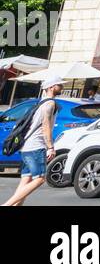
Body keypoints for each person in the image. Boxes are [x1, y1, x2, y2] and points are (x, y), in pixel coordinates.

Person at [3, 78, 63, 207]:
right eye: (59, 85)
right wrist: (50, 147)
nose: (62, 86)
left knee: (25, 181)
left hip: (26, 146)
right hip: (36, 146)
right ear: (51, 87)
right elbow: (45, 125)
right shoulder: (50, 104)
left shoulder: (41, 103)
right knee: (40, 179)